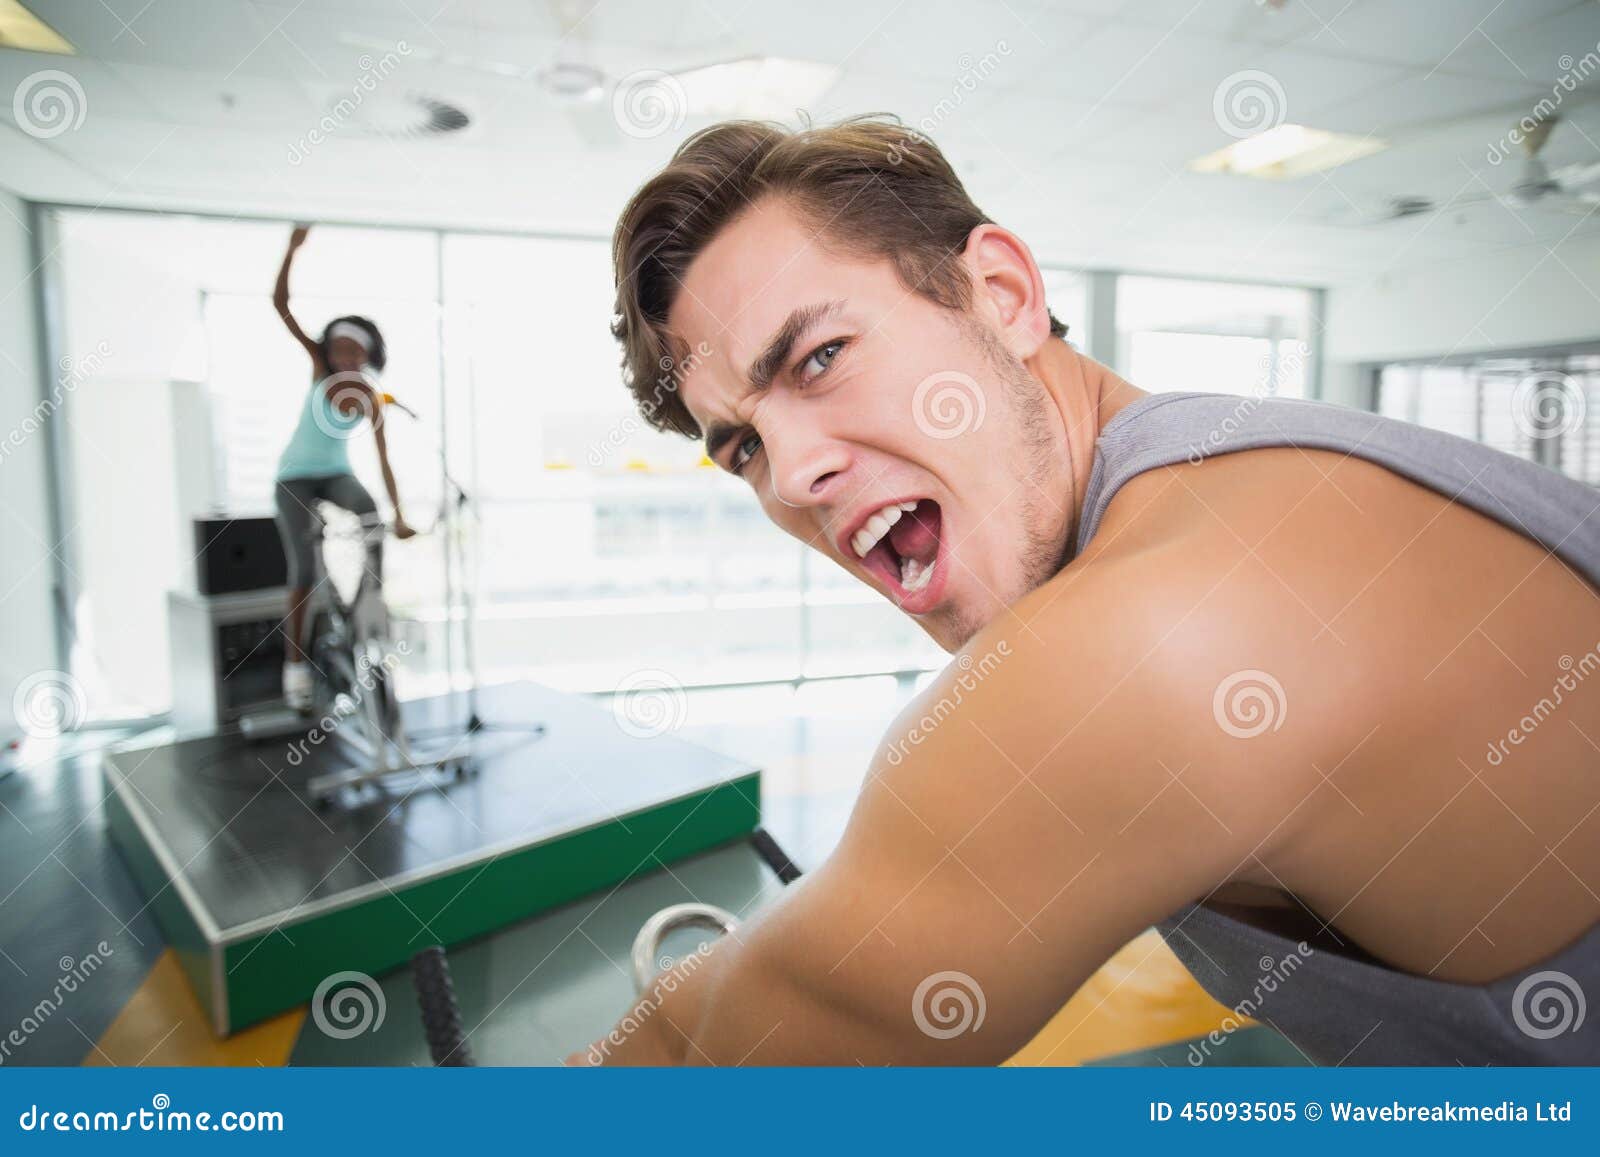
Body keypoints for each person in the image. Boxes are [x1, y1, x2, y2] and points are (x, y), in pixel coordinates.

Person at [580, 116, 1600, 1065]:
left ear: (1003, 294)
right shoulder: (1225, 470)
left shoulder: (1160, 634)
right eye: (744, 444)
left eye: (821, 356)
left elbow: (712, 1059)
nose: (793, 472)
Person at [271, 224, 413, 710]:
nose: (343, 355)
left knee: (368, 510)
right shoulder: (318, 369)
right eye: (337, 348)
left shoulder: (371, 399)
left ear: (366, 355)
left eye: (353, 350)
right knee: (303, 570)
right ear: (329, 351)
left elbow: (385, 462)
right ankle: (294, 668)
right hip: (294, 476)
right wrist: (292, 250)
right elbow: (281, 306)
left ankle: (369, 601)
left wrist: (400, 516)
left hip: (335, 474)